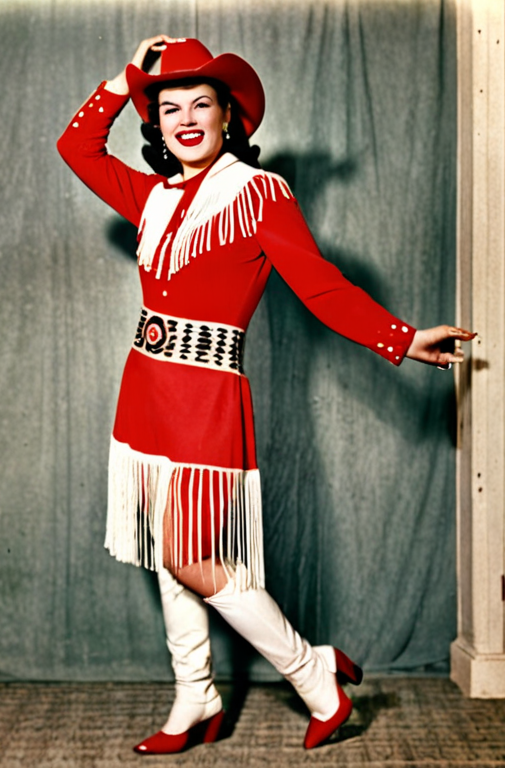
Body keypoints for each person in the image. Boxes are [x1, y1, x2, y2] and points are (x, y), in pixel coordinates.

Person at [56, 35, 475, 754]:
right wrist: (130, 79)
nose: (185, 119)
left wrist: (401, 339)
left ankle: (314, 676)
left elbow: (320, 286)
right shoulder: (152, 195)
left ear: (229, 118)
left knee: (193, 556)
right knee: (169, 549)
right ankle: (195, 696)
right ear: (154, 126)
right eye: (168, 109)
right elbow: (77, 149)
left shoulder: (259, 194)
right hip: (147, 391)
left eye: (201, 104)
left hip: (207, 396)